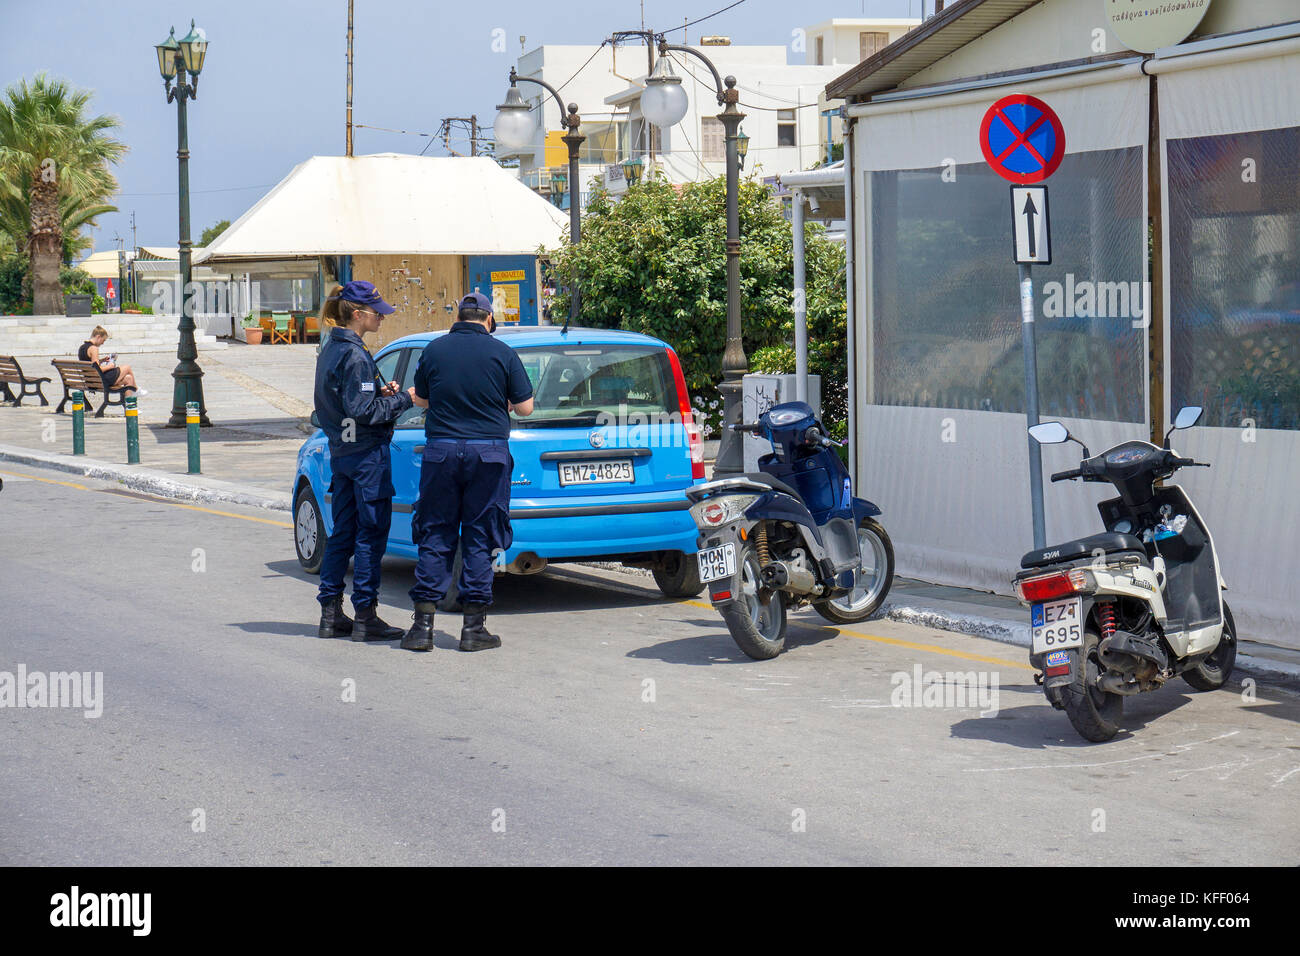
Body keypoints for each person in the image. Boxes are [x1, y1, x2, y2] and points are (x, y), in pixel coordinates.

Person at [402, 292, 534, 653]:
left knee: (436, 532)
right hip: (487, 453)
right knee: (480, 534)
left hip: (441, 452)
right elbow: (525, 407)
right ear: (489, 320)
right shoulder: (503, 353)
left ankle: (422, 627)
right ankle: (473, 629)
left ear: (457, 318)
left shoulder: (434, 350)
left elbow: (423, 399)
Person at [313, 280, 427, 641]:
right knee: (371, 532)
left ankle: (330, 612)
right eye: (377, 313)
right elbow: (363, 411)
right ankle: (366, 614)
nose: (382, 318)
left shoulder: (331, 349)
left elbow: (342, 403)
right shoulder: (355, 355)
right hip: (366, 456)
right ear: (358, 314)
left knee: (343, 532)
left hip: (342, 452)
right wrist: (404, 399)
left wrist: (378, 391)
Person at [79, 326, 145, 395]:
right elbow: (96, 370)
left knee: (129, 378)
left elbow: (91, 364)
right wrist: (110, 366)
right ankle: (136, 390)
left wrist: (101, 360)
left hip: (90, 381)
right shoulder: (94, 348)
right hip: (99, 381)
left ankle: (129, 404)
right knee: (127, 367)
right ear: (98, 337)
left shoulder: (82, 348)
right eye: (103, 340)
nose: (103, 343)